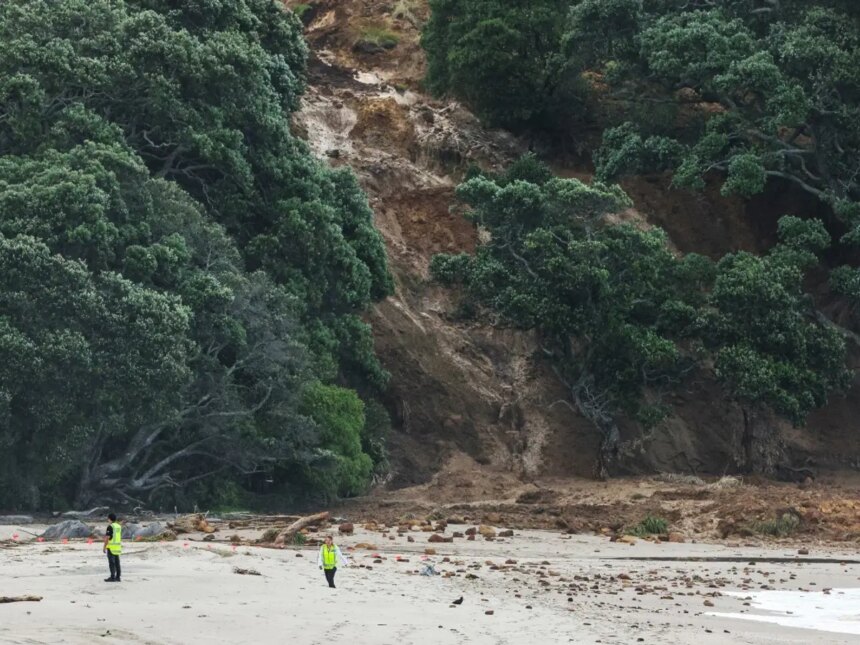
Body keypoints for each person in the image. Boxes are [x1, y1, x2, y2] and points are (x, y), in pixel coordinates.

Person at [102, 512, 122, 583]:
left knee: (112, 563)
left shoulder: (110, 526)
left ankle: (112, 577)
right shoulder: (118, 526)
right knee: (117, 563)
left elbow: (107, 537)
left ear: (109, 519)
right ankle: (118, 577)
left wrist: (104, 547)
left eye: (108, 519)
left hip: (111, 547)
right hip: (118, 547)